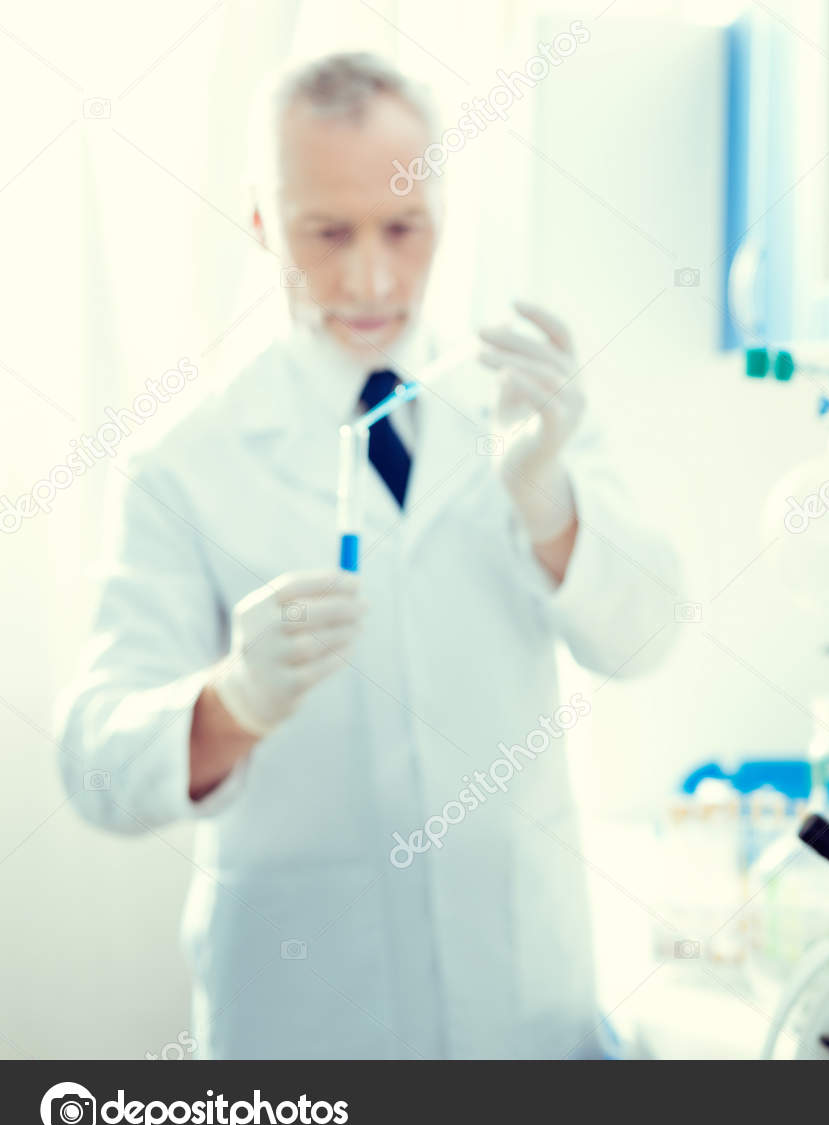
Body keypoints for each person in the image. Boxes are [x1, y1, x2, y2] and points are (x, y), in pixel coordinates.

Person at [55, 53, 678, 1059]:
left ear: (441, 206)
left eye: (403, 227)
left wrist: (551, 506)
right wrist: (230, 703)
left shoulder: (523, 403)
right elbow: (93, 757)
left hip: (523, 1001)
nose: (372, 278)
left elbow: (647, 633)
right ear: (263, 220)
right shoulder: (185, 462)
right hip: (304, 1022)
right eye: (327, 233)